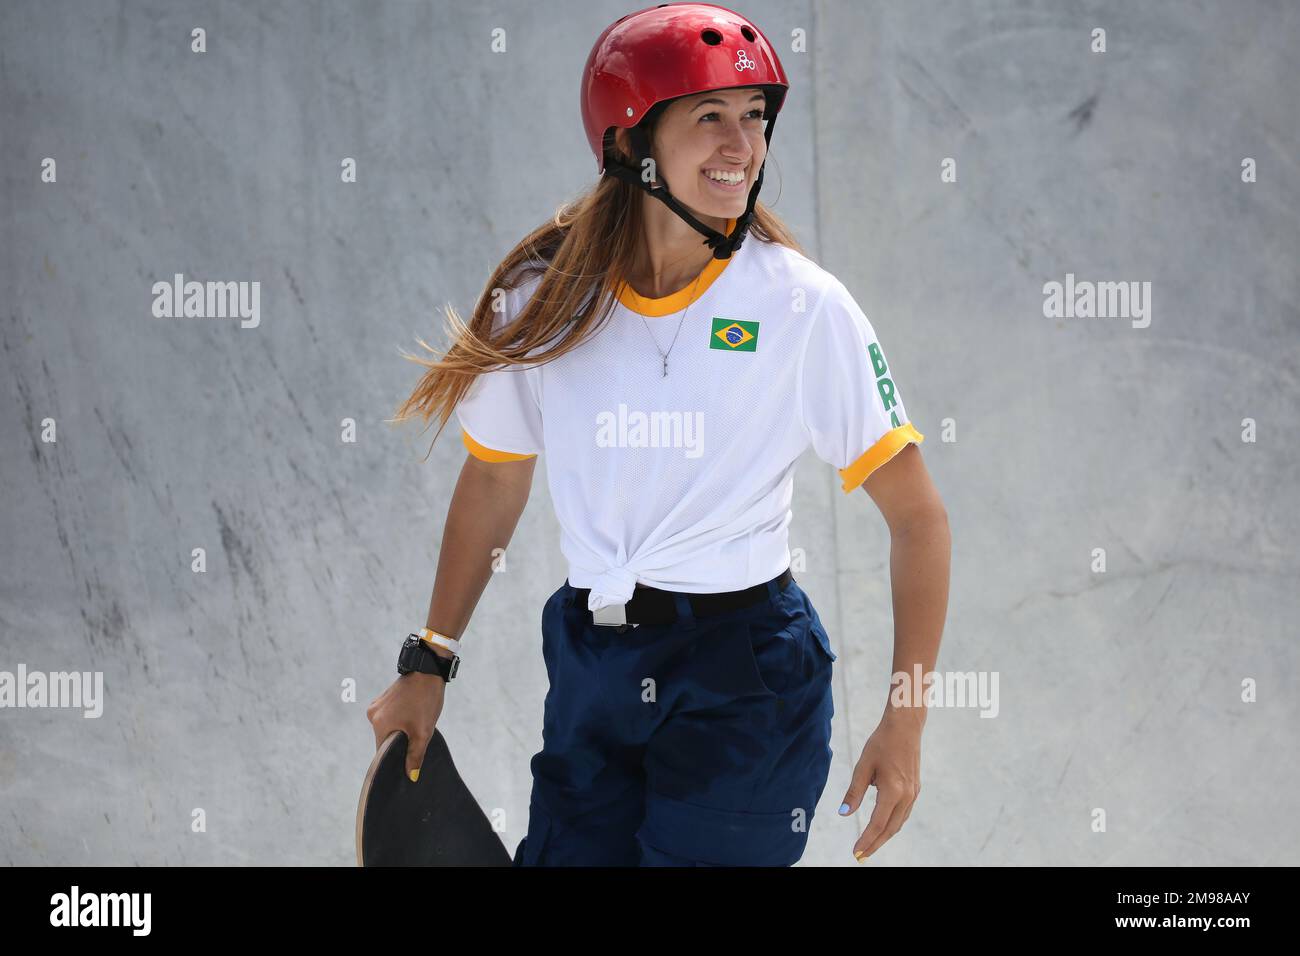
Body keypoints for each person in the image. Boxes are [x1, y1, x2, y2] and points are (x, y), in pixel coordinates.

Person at [371, 2, 950, 866]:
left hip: (745, 677)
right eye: (709, 116)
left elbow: (918, 519)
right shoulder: (545, 301)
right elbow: (493, 484)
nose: (741, 145)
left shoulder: (802, 308)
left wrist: (904, 721)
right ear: (630, 142)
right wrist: (430, 659)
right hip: (593, 665)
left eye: (754, 117)